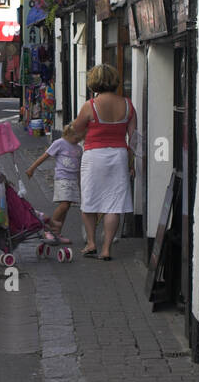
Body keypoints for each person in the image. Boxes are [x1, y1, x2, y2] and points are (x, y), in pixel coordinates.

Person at [68, 64, 137, 260]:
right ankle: (106, 249)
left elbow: (75, 131)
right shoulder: (128, 105)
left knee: (90, 199)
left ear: (93, 83)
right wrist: (132, 163)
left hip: (94, 155)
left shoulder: (90, 106)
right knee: (113, 204)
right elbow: (134, 139)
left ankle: (91, 243)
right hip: (119, 156)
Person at [25, 122, 83, 244]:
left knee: (66, 207)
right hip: (62, 178)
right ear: (69, 134)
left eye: (81, 138)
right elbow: (44, 156)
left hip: (72, 180)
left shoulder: (79, 148)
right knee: (64, 205)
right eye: (76, 138)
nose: (78, 140)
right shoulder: (60, 143)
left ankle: (57, 233)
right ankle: (49, 230)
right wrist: (32, 168)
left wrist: (80, 183)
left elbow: (78, 168)